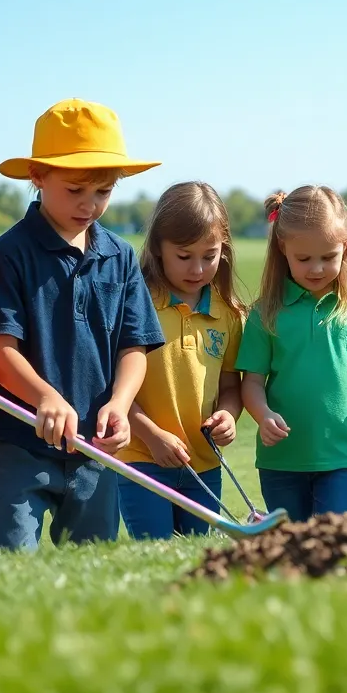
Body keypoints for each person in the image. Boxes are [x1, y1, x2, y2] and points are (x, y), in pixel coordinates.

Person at [0, 99, 166, 551]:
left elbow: (133, 347)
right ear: (38, 177)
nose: (90, 204)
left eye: (103, 191)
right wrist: (44, 396)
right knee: (10, 563)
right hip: (20, 442)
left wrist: (120, 405)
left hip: (95, 452)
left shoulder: (119, 255)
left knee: (90, 568)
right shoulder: (10, 254)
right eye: (76, 189)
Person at [235, 185, 347, 522]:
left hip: (341, 458)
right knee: (292, 546)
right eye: (304, 259)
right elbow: (251, 382)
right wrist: (263, 415)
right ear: (283, 250)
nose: (317, 269)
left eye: (328, 257)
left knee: (335, 539)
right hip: (280, 460)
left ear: (346, 247)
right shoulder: (265, 312)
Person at [115, 181, 248, 539]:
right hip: (141, 458)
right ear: (159, 247)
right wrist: (153, 436)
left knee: (196, 559)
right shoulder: (134, 301)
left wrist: (229, 417)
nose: (198, 269)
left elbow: (230, 387)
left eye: (210, 255)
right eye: (184, 256)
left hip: (204, 465)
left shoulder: (229, 315)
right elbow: (114, 389)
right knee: (155, 553)